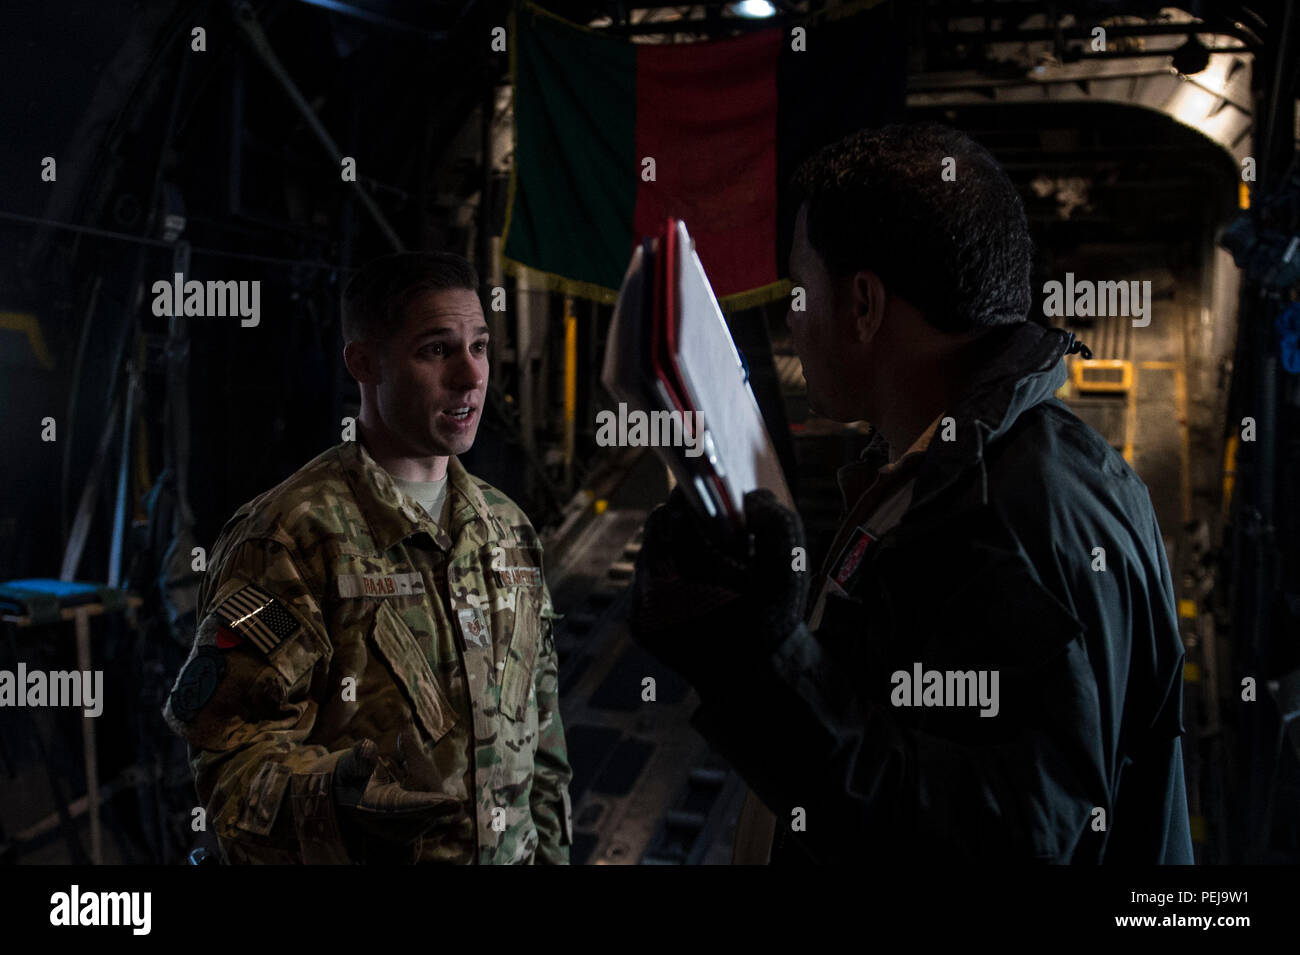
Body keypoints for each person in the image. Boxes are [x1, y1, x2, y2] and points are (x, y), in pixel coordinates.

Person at [628, 122, 1194, 864]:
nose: (792, 320)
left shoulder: (1005, 513)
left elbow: (1003, 840)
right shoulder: (981, 466)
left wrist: (763, 668)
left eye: (801, 292)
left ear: (863, 304)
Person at [164, 251, 573, 864]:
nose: (471, 376)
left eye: (480, 346)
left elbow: (543, 746)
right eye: (436, 350)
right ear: (363, 362)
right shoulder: (290, 541)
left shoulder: (507, 531)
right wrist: (337, 800)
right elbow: (232, 766)